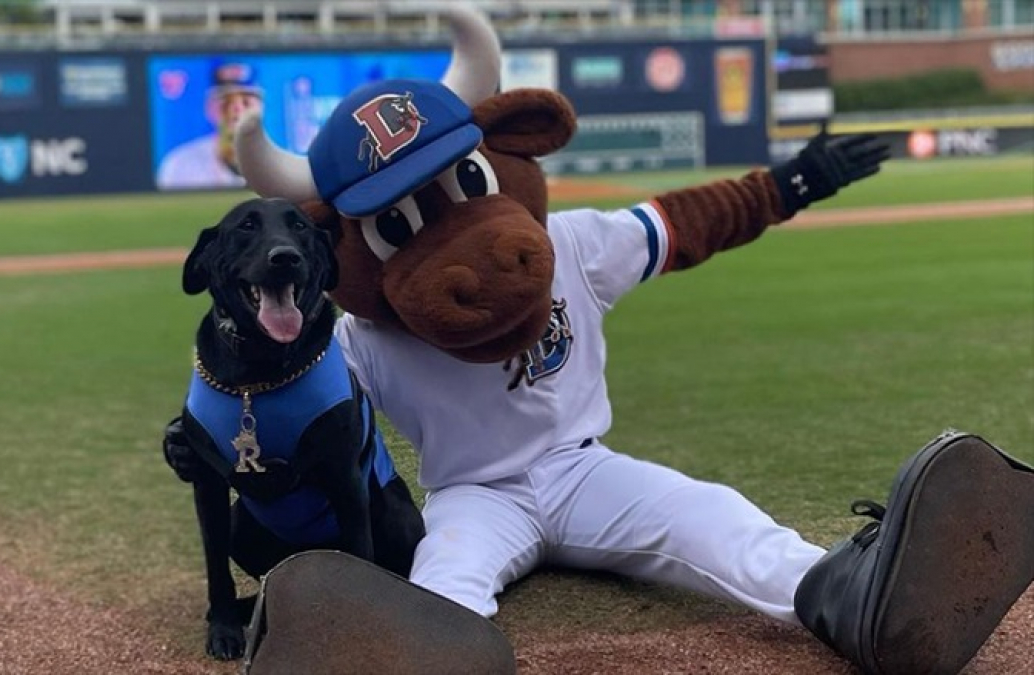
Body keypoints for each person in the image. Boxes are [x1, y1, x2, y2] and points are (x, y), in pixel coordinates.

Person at [164, 9, 1033, 674]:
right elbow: (286, 386)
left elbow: (687, 224)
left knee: (711, 515)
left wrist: (792, 182)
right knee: (442, 580)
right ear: (349, 245)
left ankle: (861, 598)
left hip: (587, 469)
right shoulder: (363, 332)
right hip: (476, 496)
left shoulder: (575, 242)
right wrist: (199, 428)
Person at [156, 61, 264, 190]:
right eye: (226, 101)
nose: (237, 109)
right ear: (210, 108)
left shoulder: (279, 161)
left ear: (261, 108)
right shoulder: (180, 163)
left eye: (246, 101)